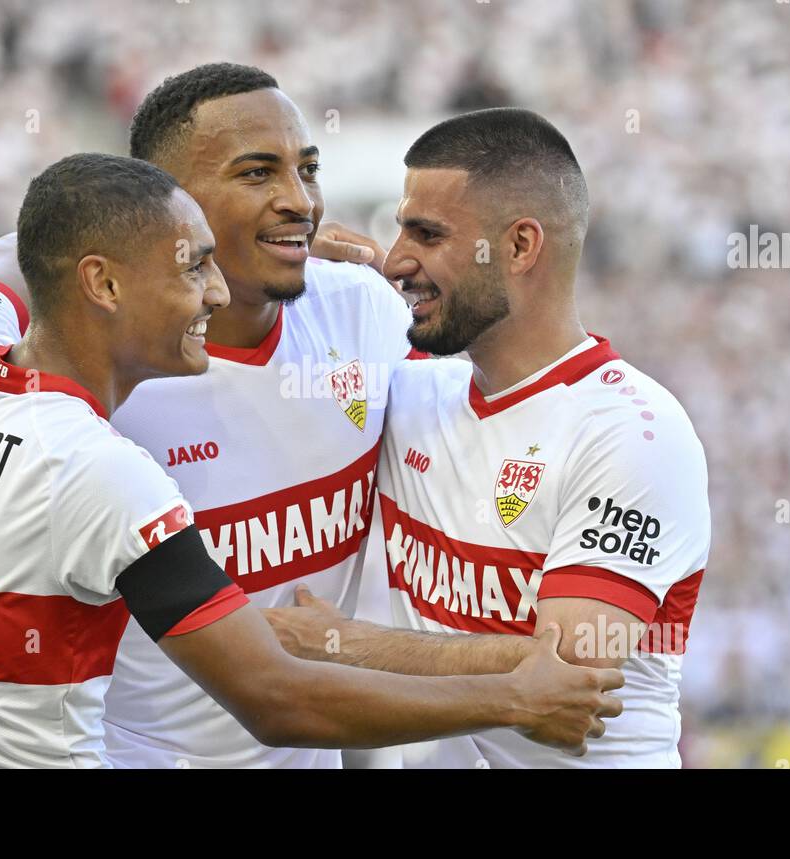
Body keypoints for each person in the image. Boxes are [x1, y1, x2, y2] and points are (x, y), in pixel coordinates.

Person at [0, 149, 624, 768]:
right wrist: (511, 694)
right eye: (190, 263)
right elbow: (274, 695)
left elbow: (12, 247)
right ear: (102, 282)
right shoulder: (98, 471)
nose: (214, 290)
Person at [265, 108, 712, 768]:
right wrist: (294, 277)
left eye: (428, 234)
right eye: (398, 229)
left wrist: (344, 645)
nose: (398, 259)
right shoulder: (414, 392)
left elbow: (566, 684)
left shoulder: (633, 432)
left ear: (521, 246)